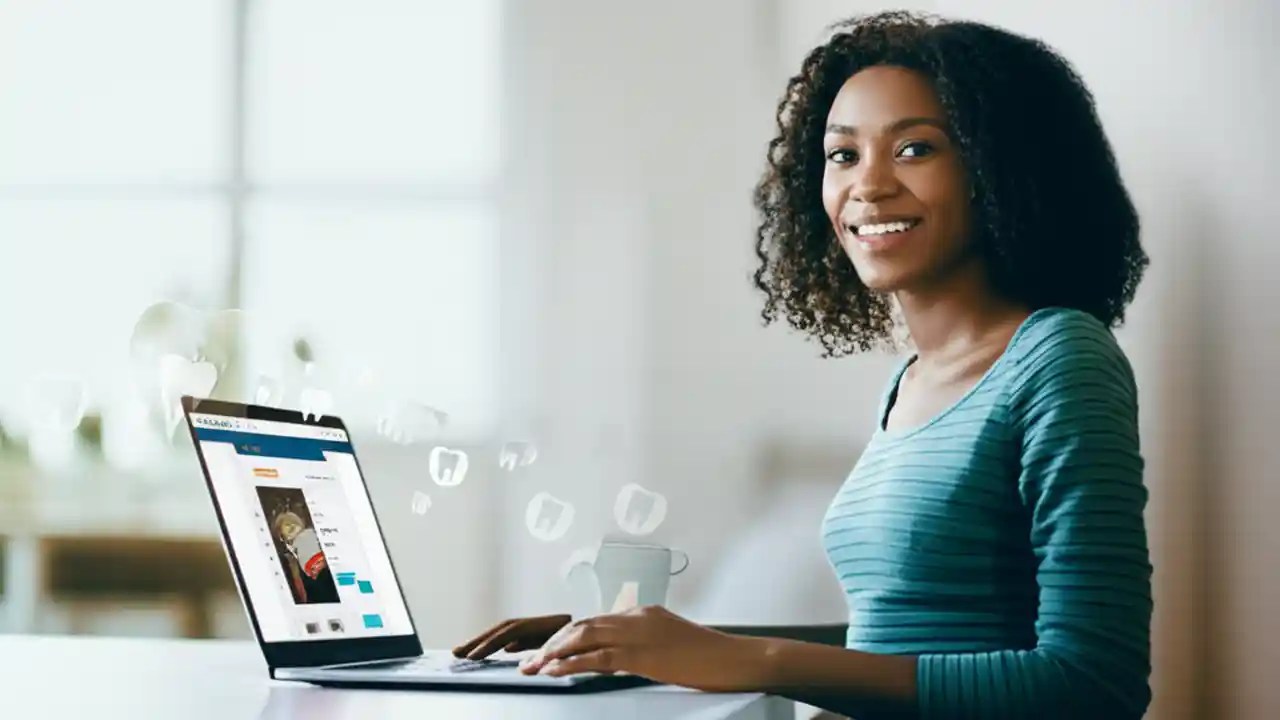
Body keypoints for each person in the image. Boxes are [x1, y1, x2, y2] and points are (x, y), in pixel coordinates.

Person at [453, 10, 1152, 719]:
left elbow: (1093, 684)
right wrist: (640, 641)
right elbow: (899, 644)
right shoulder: (909, 381)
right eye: (843, 155)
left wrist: (749, 659)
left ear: (999, 168)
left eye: (914, 149)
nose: (868, 185)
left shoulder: (1060, 359)